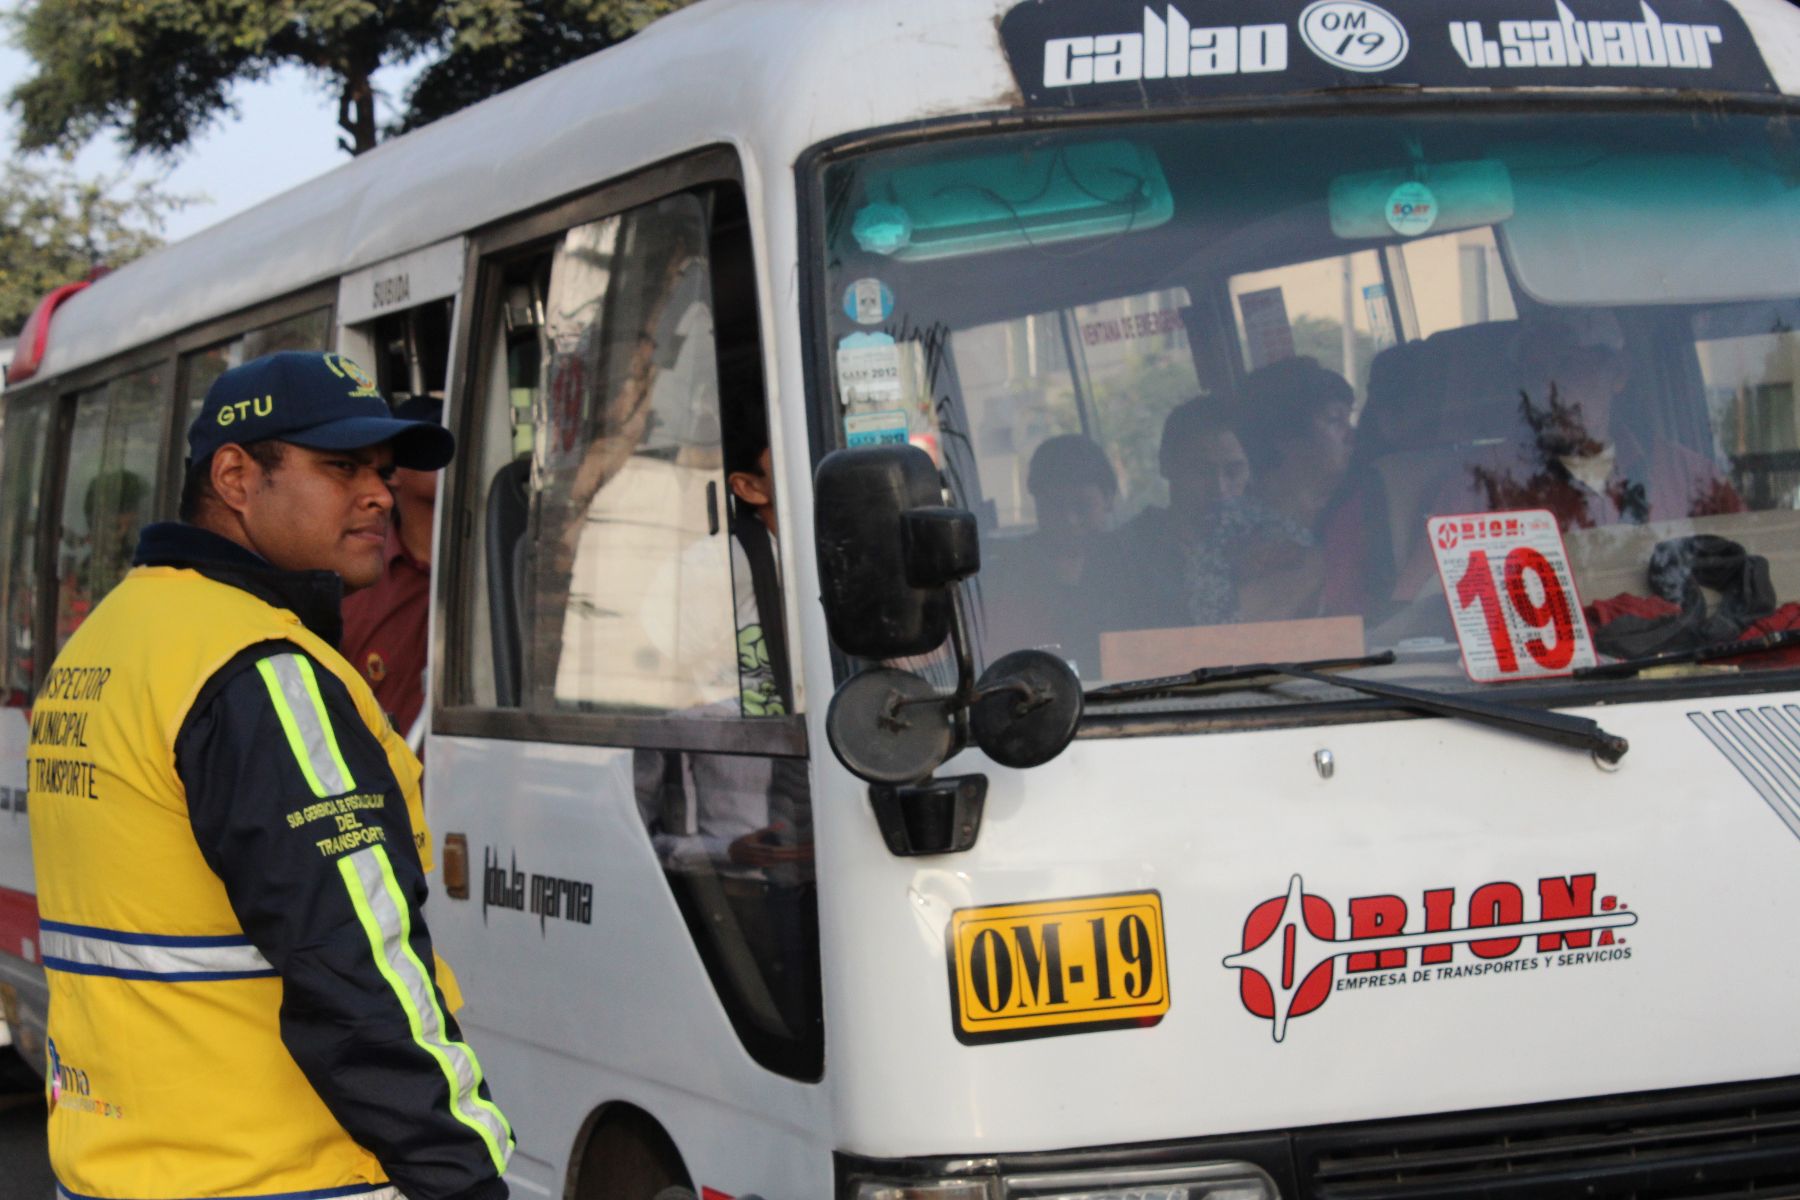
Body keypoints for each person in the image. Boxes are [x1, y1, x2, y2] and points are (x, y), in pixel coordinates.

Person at [28, 351, 513, 1200]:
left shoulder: (111, 637)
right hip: (283, 1174)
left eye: (381, 471)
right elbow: (356, 968)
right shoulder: (258, 667)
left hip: (117, 1172)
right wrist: (462, 1178)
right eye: (339, 467)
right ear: (235, 476)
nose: (377, 494)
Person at [1471, 310, 1743, 529]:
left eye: (1568, 366)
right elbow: (1433, 588)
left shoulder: (1690, 480)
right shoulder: (1484, 485)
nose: (1549, 388)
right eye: (1536, 371)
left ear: (1618, 373)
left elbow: (1753, 576)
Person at [341, 395, 445, 742]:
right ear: (393, 476)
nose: (449, 460)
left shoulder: (505, 573)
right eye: (428, 452)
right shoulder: (356, 586)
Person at [1100, 397, 1252, 630]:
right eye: (1202, 470)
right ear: (1166, 464)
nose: (1219, 487)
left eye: (1233, 471)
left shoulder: (1270, 543)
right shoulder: (1120, 556)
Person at [1225, 357, 1356, 620]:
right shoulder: (1236, 536)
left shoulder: (1357, 507)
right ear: (1284, 435)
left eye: (1348, 419)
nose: (1351, 434)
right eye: (1334, 420)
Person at [983, 433, 1118, 672]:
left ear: (1108, 498)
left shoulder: (1136, 566)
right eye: (1055, 507)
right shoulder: (1006, 575)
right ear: (1036, 503)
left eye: (1082, 506)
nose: (1070, 520)